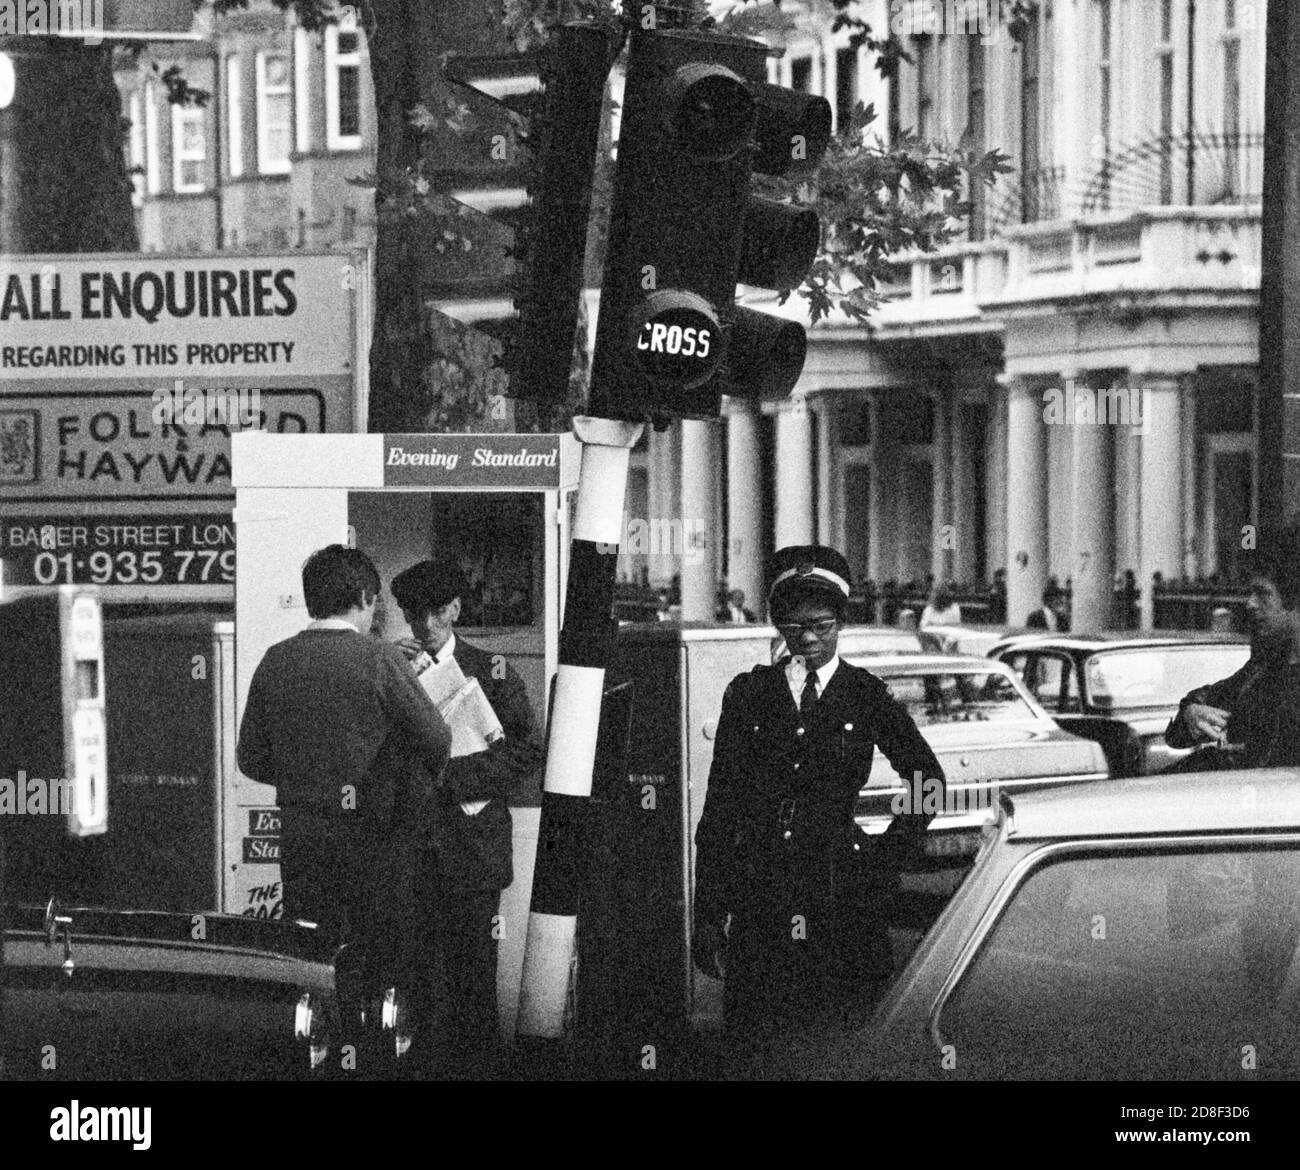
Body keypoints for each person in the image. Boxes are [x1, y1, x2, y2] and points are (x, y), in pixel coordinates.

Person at [692, 545, 946, 1078]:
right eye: (794, 625)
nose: (807, 639)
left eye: (822, 625)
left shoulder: (866, 695)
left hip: (842, 902)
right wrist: (710, 914)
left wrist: (882, 860)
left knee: (839, 1046)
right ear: (778, 625)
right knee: (757, 1049)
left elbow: (928, 781)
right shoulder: (748, 695)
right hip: (761, 901)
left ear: (842, 623)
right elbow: (719, 812)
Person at [236, 545, 451, 985]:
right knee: (378, 964)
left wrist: (303, 780)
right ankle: (371, 1049)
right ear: (366, 598)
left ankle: (321, 1046)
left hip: (301, 840)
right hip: (375, 842)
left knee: (315, 961)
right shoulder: (380, 658)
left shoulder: (275, 660)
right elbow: (437, 740)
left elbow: (250, 758)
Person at [389, 559, 544, 1078]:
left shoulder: (492, 669)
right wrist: (390, 673)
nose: (424, 626)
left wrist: (454, 779)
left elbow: (525, 750)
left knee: (474, 978)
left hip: (472, 848)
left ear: (455, 609)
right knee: (412, 978)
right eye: (413, 615)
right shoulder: (391, 669)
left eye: (434, 613)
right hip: (409, 848)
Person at [1165, 526, 1300, 769]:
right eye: (1251, 593)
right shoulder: (1262, 670)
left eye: (1262, 594)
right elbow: (1179, 734)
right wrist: (1191, 712)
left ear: (1292, 601)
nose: (1250, 604)